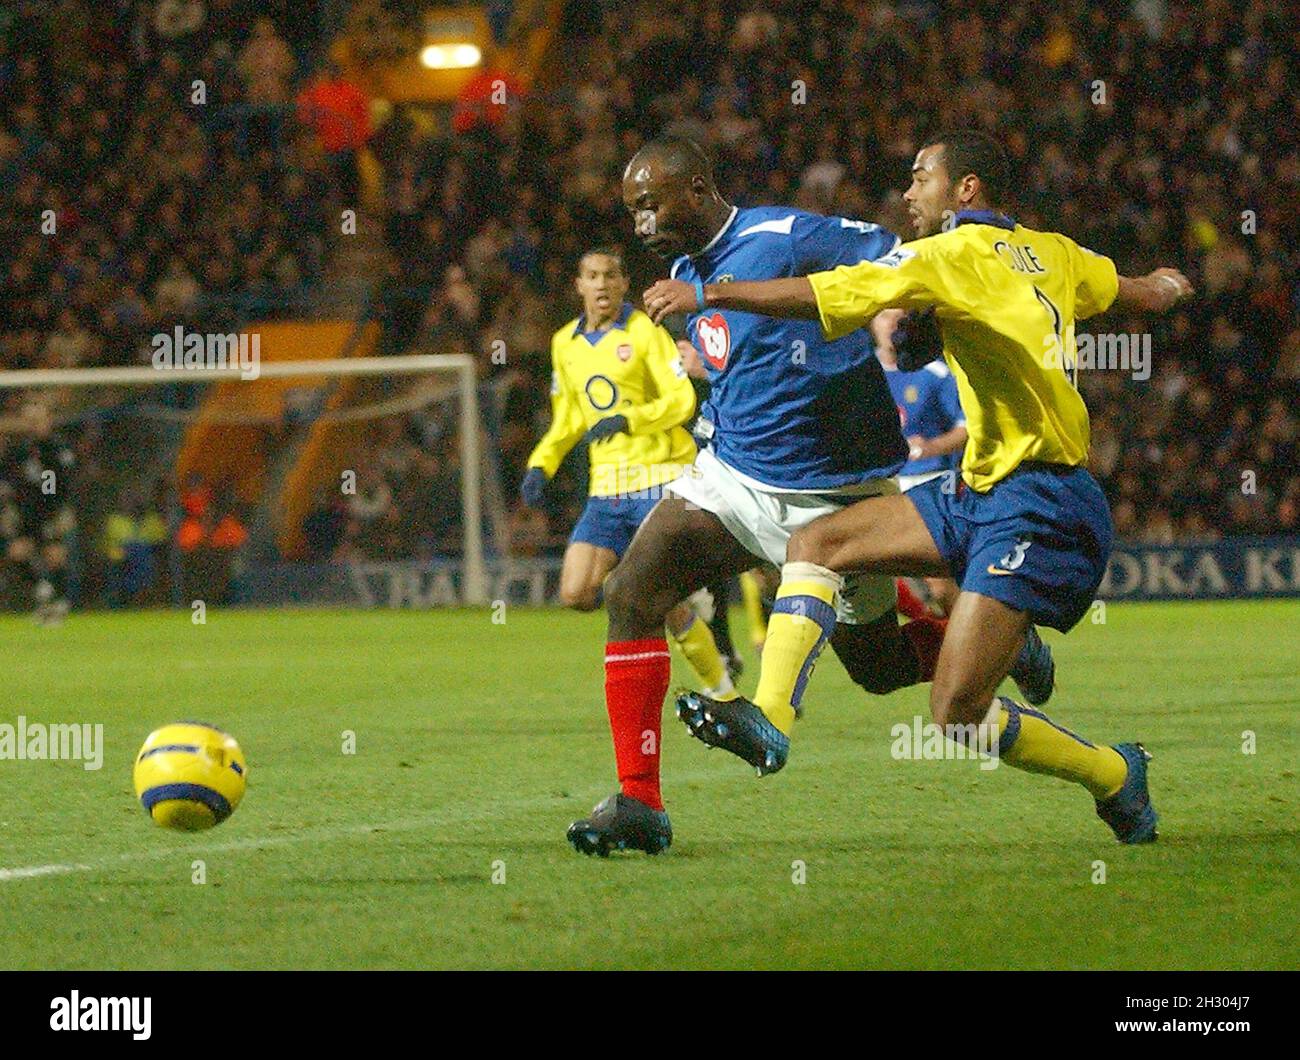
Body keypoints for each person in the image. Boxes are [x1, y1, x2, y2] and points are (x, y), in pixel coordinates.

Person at [644, 130, 1194, 844]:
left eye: (920, 178)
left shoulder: (947, 256)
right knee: (816, 542)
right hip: (979, 487)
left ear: (966, 190)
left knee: (956, 713)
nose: (907, 194)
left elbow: (827, 293)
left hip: (1043, 506)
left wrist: (708, 290)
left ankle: (1114, 774)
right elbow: (1133, 290)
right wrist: (1165, 287)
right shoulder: (1053, 251)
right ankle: (770, 721)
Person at [565, 136, 1052, 857]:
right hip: (733, 483)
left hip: (837, 497)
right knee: (631, 593)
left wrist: (893, 318)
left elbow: (889, 252)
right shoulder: (680, 274)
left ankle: (998, 645)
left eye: (649, 206)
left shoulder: (783, 235)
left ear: (696, 190)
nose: (640, 224)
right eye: (632, 211)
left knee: (880, 668)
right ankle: (640, 803)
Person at [519, 247, 737, 796]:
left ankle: (723, 691)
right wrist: (541, 462)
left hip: (656, 479)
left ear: (622, 284)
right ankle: (678, 608)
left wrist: (629, 417)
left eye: (611, 276)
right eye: (592, 276)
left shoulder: (643, 332)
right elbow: (569, 416)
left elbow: (682, 398)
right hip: (605, 491)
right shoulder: (564, 344)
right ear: (578, 285)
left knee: (645, 593)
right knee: (575, 592)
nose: (602, 285)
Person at [874, 308, 966, 616]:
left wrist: (930, 447)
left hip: (927, 481)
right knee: (873, 581)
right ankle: (933, 639)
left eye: (901, 318)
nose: (892, 325)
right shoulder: (860, 372)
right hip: (878, 485)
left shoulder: (935, 374)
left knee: (939, 585)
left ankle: (969, 645)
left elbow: (967, 428)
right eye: (885, 316)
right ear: (872, 322)